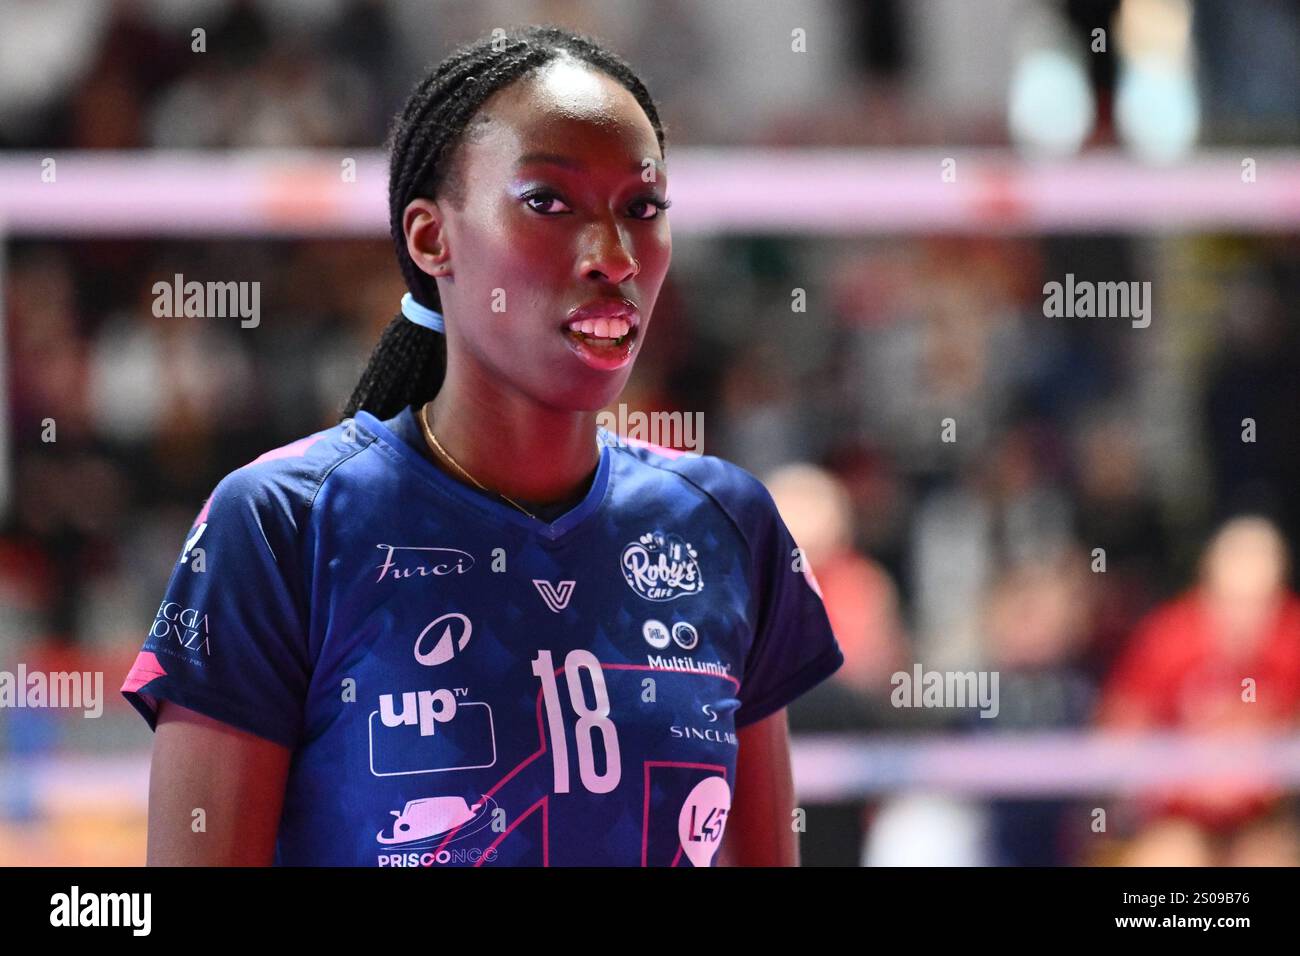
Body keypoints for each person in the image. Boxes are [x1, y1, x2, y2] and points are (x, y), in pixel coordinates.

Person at [120, 25, 843, 867]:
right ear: (432, 239)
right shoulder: (283, 525)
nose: (612, 256)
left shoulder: (726, 524)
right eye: (549, 202)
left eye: (641, 210)